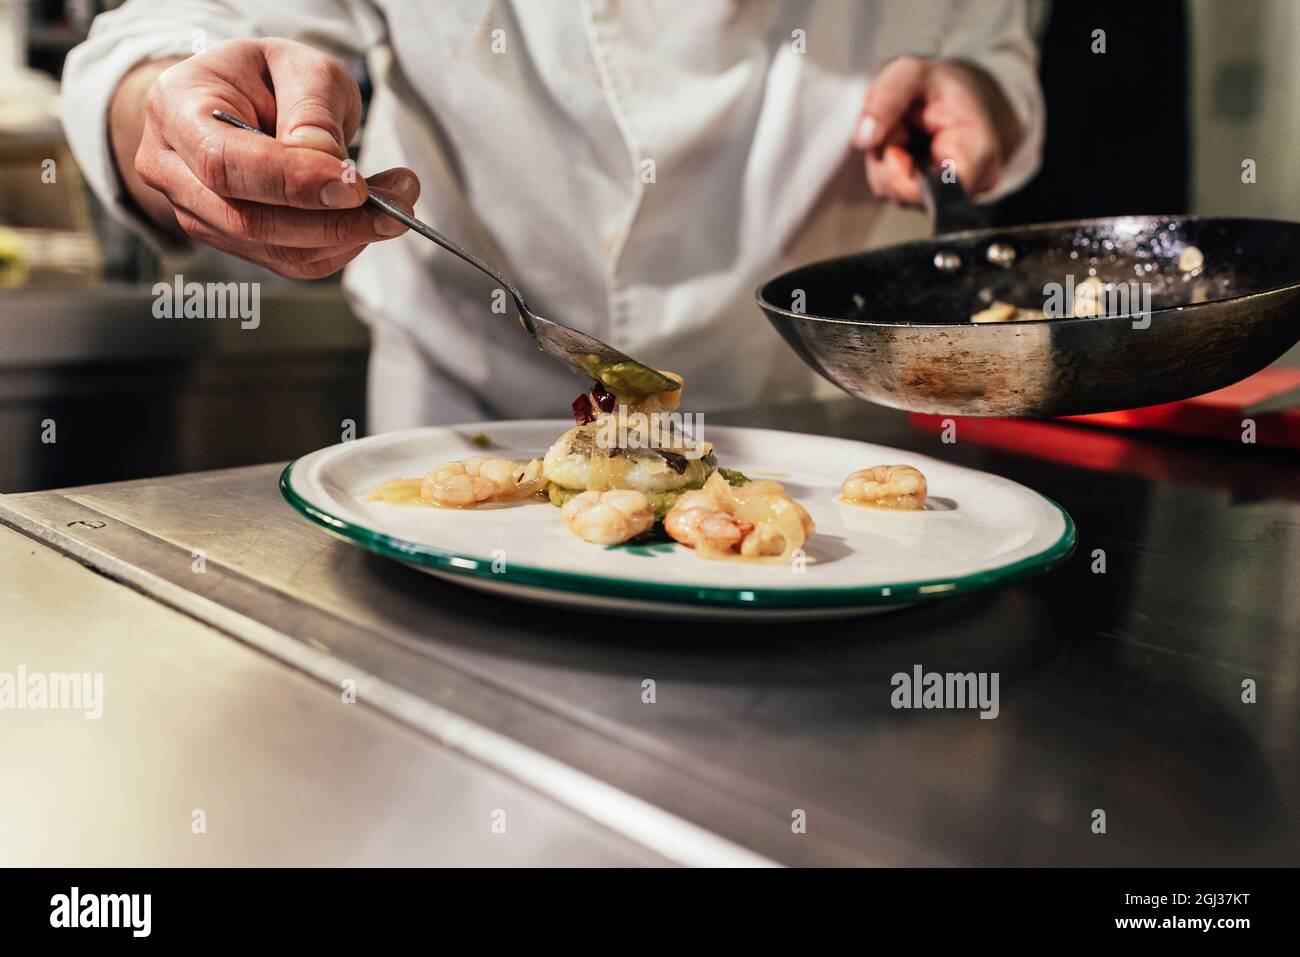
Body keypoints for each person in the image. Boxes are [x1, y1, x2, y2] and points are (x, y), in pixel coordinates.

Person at [62, 1, 1042, 431]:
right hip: (468, 429)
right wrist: (177, 111)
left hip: (813, 441)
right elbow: (177, 37)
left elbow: (993, 54)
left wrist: (976, 99)